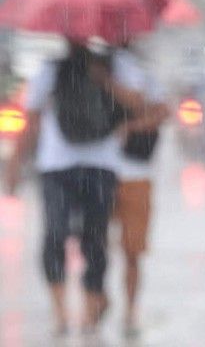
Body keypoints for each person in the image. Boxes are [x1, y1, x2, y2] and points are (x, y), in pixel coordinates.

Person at [4, 42, 147, 335]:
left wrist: (106, 80)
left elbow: (139, 105)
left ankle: (89, 309)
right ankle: (60, 311)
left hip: (101, 163)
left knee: (95, 239)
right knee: (55, 234)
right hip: (56, 165)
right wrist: (15, 164)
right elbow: (30, 117)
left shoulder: (116, 64)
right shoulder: (51, 69)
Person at [112, 54, 169, 337]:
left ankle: (130, 310)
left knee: (132, 251)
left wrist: (133, 124)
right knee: (93, 246)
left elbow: (162, 112)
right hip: (98, 173)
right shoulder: (88, 70)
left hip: (136, 174)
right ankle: (94, 302)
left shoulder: (142, 72)